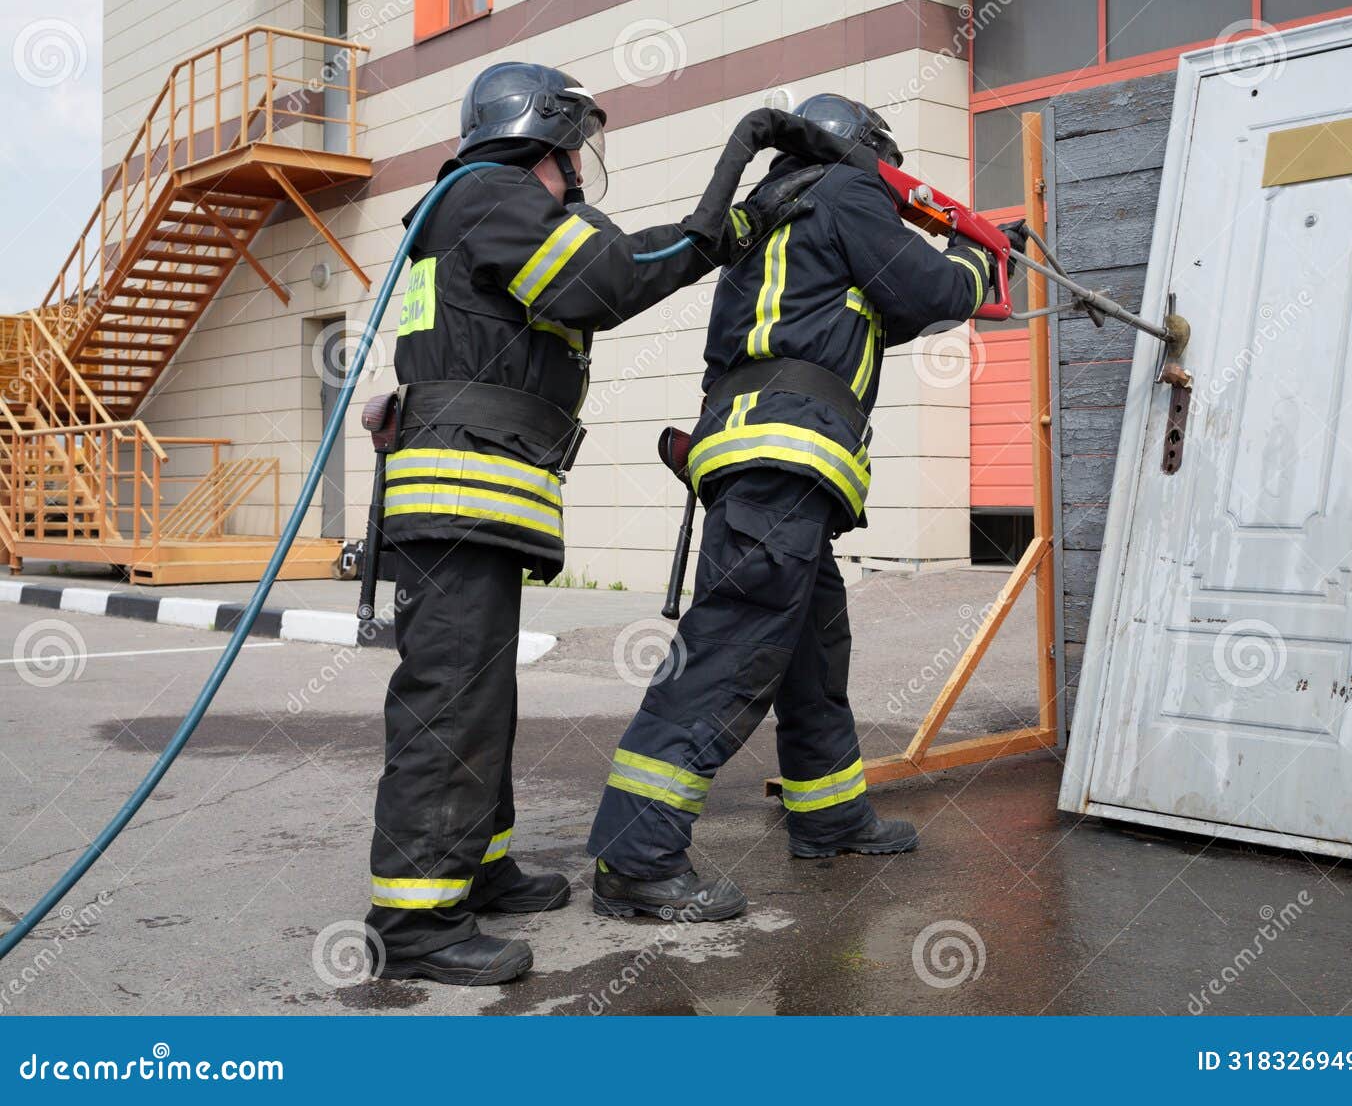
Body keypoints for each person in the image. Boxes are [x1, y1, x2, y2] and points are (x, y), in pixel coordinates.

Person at [367, 62, 819, 984]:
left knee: (475, 690)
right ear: (540, 141)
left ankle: (479, 868)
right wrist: (720, 215)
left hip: (467, 497)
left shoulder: (463, 207)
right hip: (462, 495)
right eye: (571, 153)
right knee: (450, 699)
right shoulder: (491, 194)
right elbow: (608, 283)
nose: (578, 173)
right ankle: (413, 927)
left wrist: (714, 235)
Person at [585, 93, 1001, 921]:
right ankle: (635, 856)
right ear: (864, 153)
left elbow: (877, 310)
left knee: (811, 651)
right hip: (784, 464)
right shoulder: (845, 194)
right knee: (727, 656)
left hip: (760, 462)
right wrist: (984, 259)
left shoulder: (775, 219)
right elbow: (928, 290)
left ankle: (828, 815)